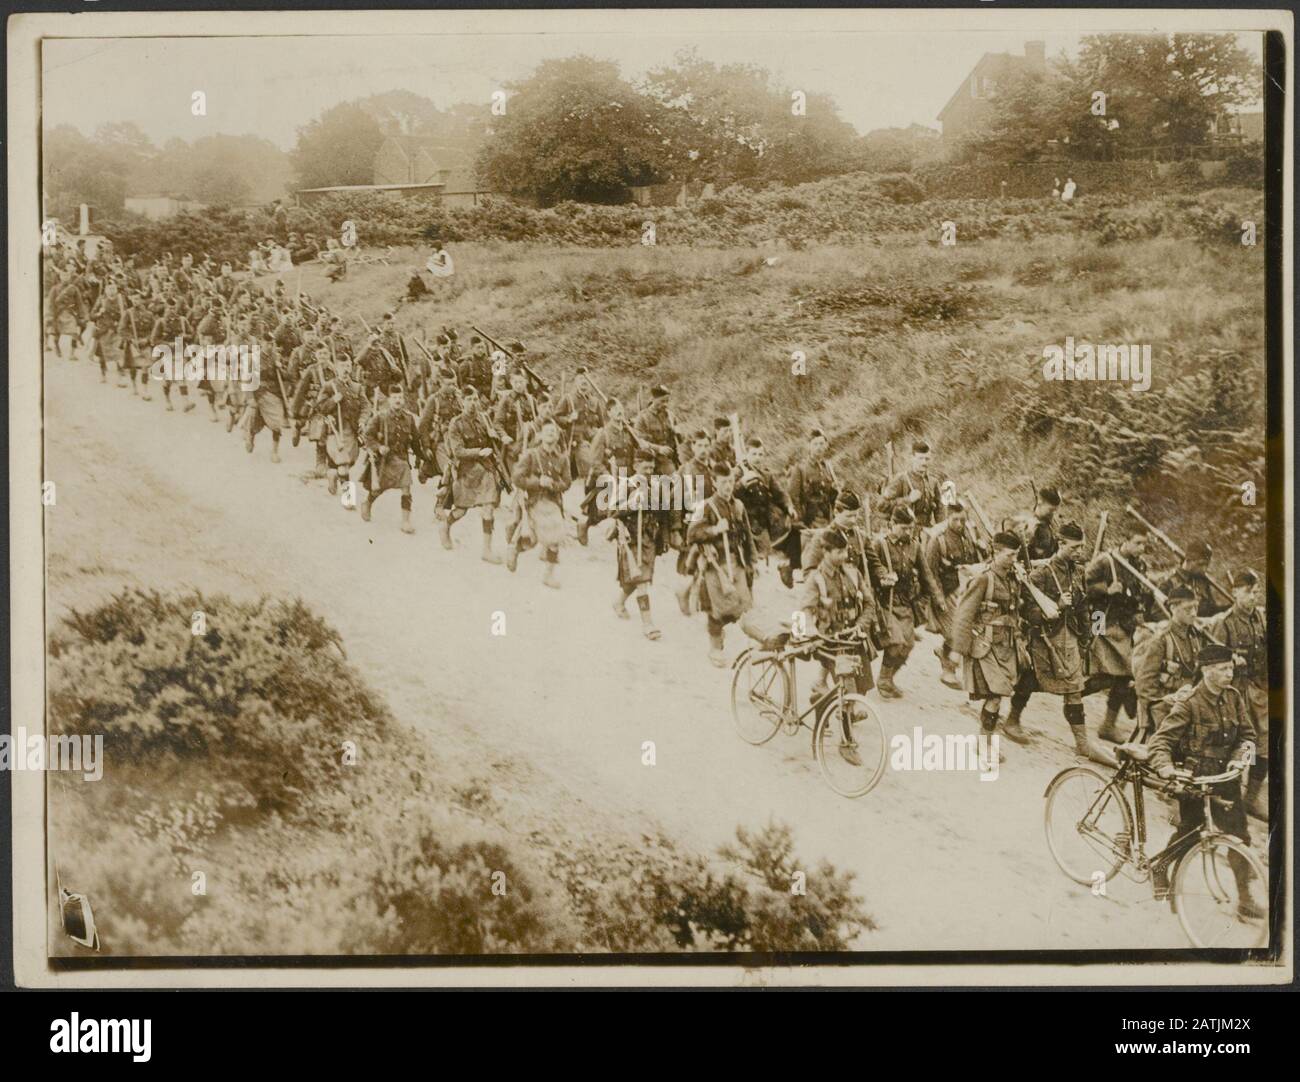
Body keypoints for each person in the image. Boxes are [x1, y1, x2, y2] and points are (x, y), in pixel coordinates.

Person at [1147, 644, 1264, 920]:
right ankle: (1160, 867)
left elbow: (1248, 736)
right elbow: (1160, 742)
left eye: (1230, 668)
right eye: (1223, 669)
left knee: (1240, 837)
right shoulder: (1189, 704)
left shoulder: (1234, 697)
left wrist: (1240, 759)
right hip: (1194, 778)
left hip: (1226, 778)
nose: (1229, 674)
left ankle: (1245, 898)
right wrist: (1165, 768)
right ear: (1207, 671)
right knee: (1190, 831)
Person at [952, 531, 1026, 739]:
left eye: (1016, 555)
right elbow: (964, 614)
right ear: (996, 552)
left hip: (1006, 645)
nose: (1014, 560)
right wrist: (957, 651)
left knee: (998, 696)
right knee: (995, 696)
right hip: (986, 646)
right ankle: (984, 742)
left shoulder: (1013, 579)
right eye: (1010, 555)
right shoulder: (984, 578)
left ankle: (984, 739)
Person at [1086, 529, 1155, 743]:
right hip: (1101, 619)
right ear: (1125, 540)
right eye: (1138, 542)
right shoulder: (1106, 561)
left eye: (1144, 545)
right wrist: (1106, 589)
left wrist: (1141, 608)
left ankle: (1108, 724)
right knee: (1099, 673)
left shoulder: (1139, 566)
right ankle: (1072, 698)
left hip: (1124, 626)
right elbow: (1084, 585)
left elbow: (1139, 594)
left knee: (1124, 675)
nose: (1141, 549)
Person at [1209, 569, 1268, 819]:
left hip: (1256, 689)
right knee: (1225, 742)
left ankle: (1251, 798)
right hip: (1232, 689)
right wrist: (1230, 659)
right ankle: (1211, 797)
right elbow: (1211, 658)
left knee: (1263, 743)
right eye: (1249, 592)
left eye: (1256, 592)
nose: (1254, 596)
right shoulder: (1225, 622)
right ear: (1235, 593)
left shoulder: (1261, 619)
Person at [682, 469, 756, 667]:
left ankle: (731, 637)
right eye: (723, 482)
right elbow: (691, 534)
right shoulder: (705, 506)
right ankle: (715, 648)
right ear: (714, 483)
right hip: (714, 565)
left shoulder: (738, 506)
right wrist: (714, 530)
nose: (728, 486)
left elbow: (747, 535)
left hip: (736, 561)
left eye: (730, 482)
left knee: (742, 603)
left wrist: (752, 561)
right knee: (716, 609)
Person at [608, 446, 672, 640]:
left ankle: (619, 602)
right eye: (645, 468)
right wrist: (631, 504)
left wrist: (666, 538)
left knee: (639, 578)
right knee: (641, 580)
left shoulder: (657, 487)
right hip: (631, 539)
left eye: (651, 469)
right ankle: (648, 624)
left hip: (650, 539)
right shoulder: (626, 486)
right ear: (636, 466)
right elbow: (612, 512)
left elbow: (664, 515)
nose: (649, 472)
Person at [1132, 584, 1210, 739]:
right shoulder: (1161, 639)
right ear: (1173, 608)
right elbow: (1145, 683)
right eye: (1188, 609)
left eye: (1196, 608)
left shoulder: (1196, 637)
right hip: (1165, 706)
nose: (1194, 613)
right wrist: (1157, 709)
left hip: (1188, 704)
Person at [866, 506, 927, 699]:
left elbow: (927, 575)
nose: (908, 532)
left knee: (908, 644)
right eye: (903, 528)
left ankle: (888, 678)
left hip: (905, 601)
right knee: (896, 641)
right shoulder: (878, 545)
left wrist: (932, 598)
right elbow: (868, 572)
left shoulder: (914, 546)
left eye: (911, 528)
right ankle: (883, 681)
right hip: (885, 601)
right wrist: (882, 579)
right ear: (891, 525)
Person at [439, 385, 505, 562]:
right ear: (462, 402)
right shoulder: (456, 423)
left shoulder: (484, 419)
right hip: (466, 472)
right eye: (469, 400)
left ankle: (487, 550)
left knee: (489, 507)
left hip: (486, 470)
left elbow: (492, 442)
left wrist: (493, 435)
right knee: (460, 511)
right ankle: (446, 524)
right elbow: (457, 451)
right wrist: (478, 452)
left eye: (475, 399)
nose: (473, 403)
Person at [923, 500, 985, 689]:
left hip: (966, 590)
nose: (959, 524)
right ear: (947, 517)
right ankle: (948, 671)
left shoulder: (969, 535)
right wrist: (938, 598)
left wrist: (982, 549)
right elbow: (930, 573)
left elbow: (976, 561)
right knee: (955, 632)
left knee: (965, 630)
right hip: (947, 592)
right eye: (955, 520)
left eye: (963, 520)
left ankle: (945, 653)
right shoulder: (937, 540)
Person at [507, 418, 572, 587]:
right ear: (541, 435)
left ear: (558, 436)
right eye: (547, 430)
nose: (551, 433)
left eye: (554, 431)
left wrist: (553, 485)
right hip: (533, 501)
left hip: (553, 502)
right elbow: (516, 478)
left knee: (556, 536)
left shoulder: (562, 458)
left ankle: (548, 575)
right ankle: (515, 548)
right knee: (532, 540)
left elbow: (567, 482)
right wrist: (537, 482)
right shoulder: (531, 455)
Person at [781, 428, 838, 587]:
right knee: (811, 557)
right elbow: (794, 495)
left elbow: (833, 492)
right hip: (809, 517)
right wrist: (799, 519)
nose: (819, 447)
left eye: (822, 443)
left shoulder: (828, 468)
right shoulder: (800, 469)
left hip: (826, 516)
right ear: (809, 446)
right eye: (815, 444)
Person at [359, 381, 417, 534]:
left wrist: (423, 457)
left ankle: (405, 521)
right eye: (394, 397)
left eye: (400, 397)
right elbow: (367, 436)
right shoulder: (381, 417)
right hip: (384, 460)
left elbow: (416, 441)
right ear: (389, 400)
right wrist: (378, 447)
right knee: (379, 489)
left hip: (402, 460)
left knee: (406, 487)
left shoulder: (409, 419)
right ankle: (368, 503)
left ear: (403, 399)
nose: (398, 400)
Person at [879, 439, 945, 529]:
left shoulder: (933, 482)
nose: (924, 462)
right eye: (920, 458)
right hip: (906, 531)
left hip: (927, 531)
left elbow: (940, 510)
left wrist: (940, 528)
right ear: (912, 458)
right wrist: (908, 499)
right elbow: (882, 506)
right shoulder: (901, 480)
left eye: (927, 459)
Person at [1159, 539, 1230, 618]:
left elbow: (1212, 611)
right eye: (1201, 564)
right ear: (1188, 560)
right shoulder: (1170, 583)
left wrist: (1230, 608)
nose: (1204, 569)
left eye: (1206, 565)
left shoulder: (1202, 581)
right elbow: (1158, 614)